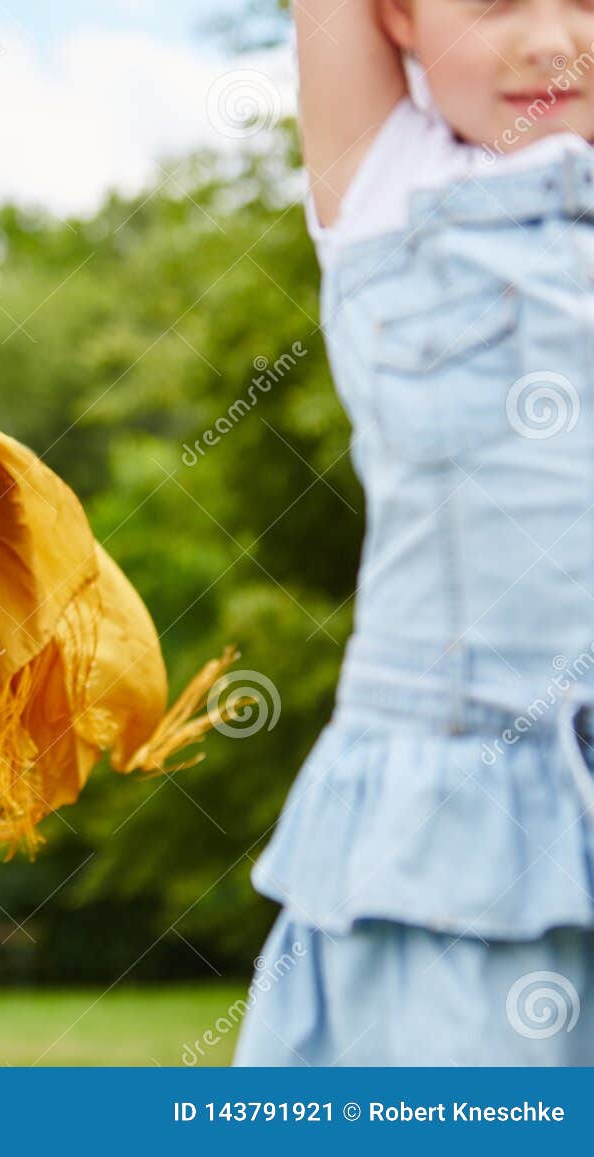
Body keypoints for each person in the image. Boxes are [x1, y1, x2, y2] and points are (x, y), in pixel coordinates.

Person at [233, 0, 594, 1065]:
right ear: (393, 15)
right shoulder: (387, 180)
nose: (547, 40)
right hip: (453, 804)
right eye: (493, 4)